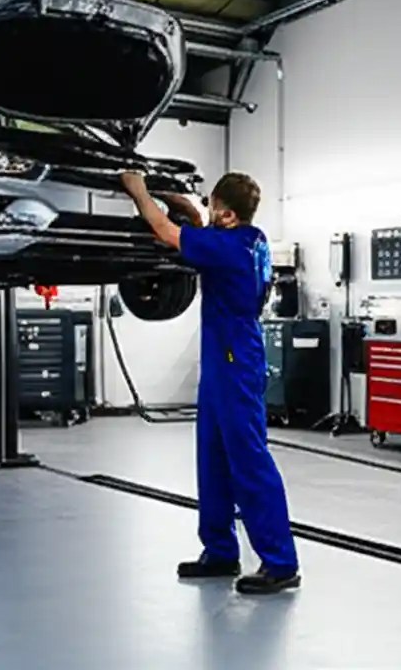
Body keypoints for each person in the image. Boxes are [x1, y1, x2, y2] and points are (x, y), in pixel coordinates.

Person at [120, 170, 301, 595]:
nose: (210, 209)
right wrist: (181, 202)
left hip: (234, 358)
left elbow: (166, 232)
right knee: (214, 457)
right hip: (228, 355)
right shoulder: (250, 240)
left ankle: (280, 562)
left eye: (213, 204)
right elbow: (198, 233)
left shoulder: (228, 246)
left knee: (248, 458)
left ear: (227, 211)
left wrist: (138, 190)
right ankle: (220, 550)